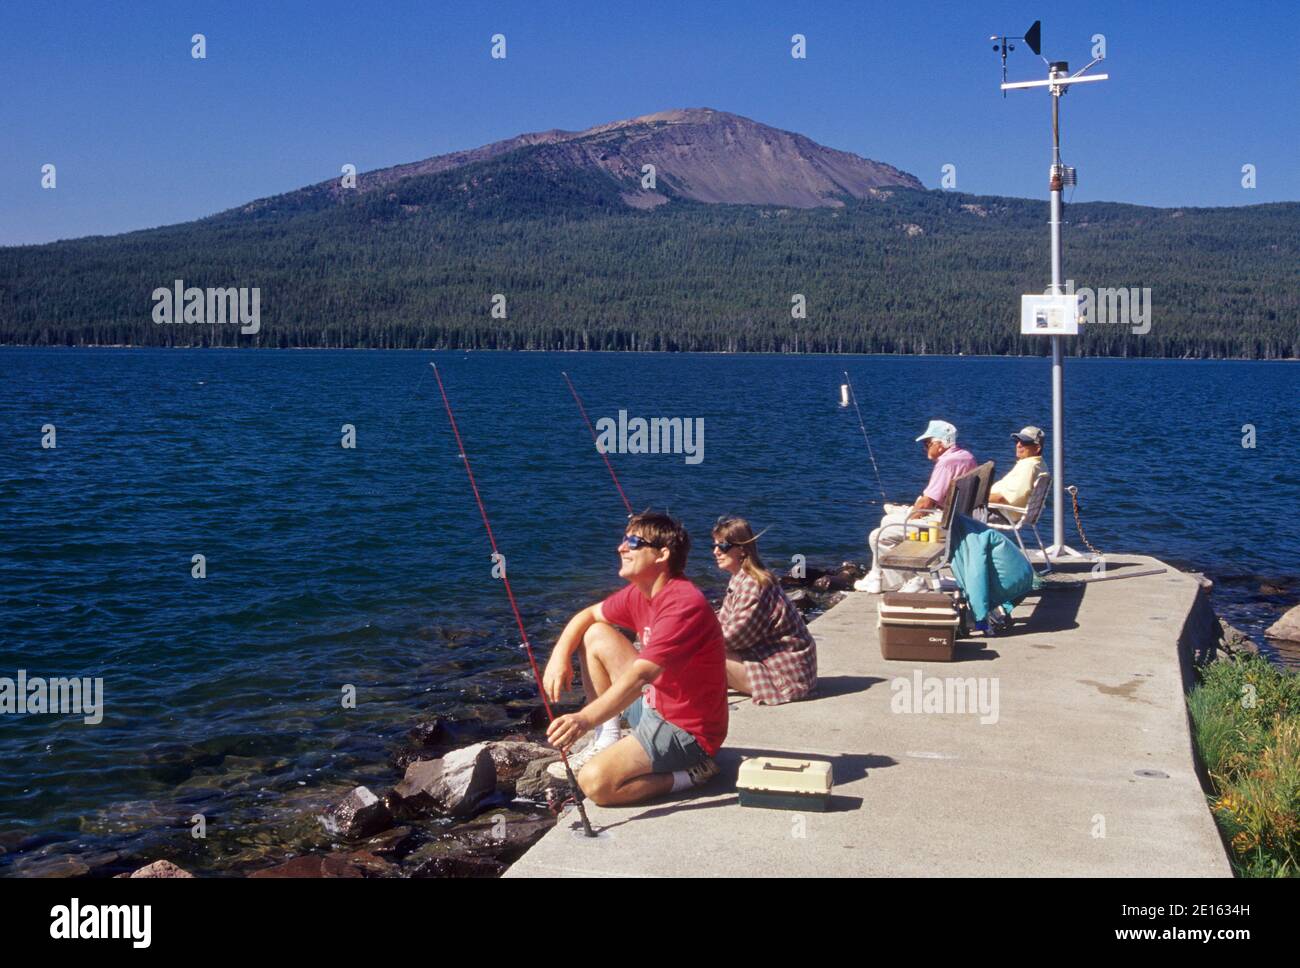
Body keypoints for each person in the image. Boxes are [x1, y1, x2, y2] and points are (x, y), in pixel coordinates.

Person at [542, 511, 727, 807]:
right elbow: (588, 615)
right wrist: (559, 655)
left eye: (633, 541)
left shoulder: (683, 603)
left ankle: (692, 773)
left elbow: (642, 675)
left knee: (596, 784)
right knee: (595, 633)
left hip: (688, 730)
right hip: (656, 702)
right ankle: (607, 738)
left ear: (662, 554)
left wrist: (584, 719)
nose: (621, 548)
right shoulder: (640, 593)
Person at [855, 419, 977, 594]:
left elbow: (927, 501)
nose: (925, 448)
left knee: (878, 536)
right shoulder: (966, 457)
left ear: (940, 444)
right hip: (958, 521)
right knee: (887, 519)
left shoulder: (946, 463)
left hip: (942, 528)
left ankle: (911, 580)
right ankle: (877, 576)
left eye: (927, 444)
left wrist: (909, 516)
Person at [712, 516, 817, 705]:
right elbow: (723, 623)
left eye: (723, 546)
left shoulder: (754, 584)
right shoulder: (742, 578)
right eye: (715, 546)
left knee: (702, 652)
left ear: (742, 550)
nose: (716, 551)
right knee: (698, 648)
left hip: (786, 676)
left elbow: (733, 637)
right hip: (784, 664)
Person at [988, 426, 1048, 524]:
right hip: (1001, 510)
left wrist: (977, 498)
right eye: (1017, 441)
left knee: (957, 512)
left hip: (1000, 513)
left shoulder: (1029, 467)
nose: (1018, 445)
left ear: (1037, 448)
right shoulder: (1039, 464)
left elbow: (1002, 499)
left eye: (1024, 442)